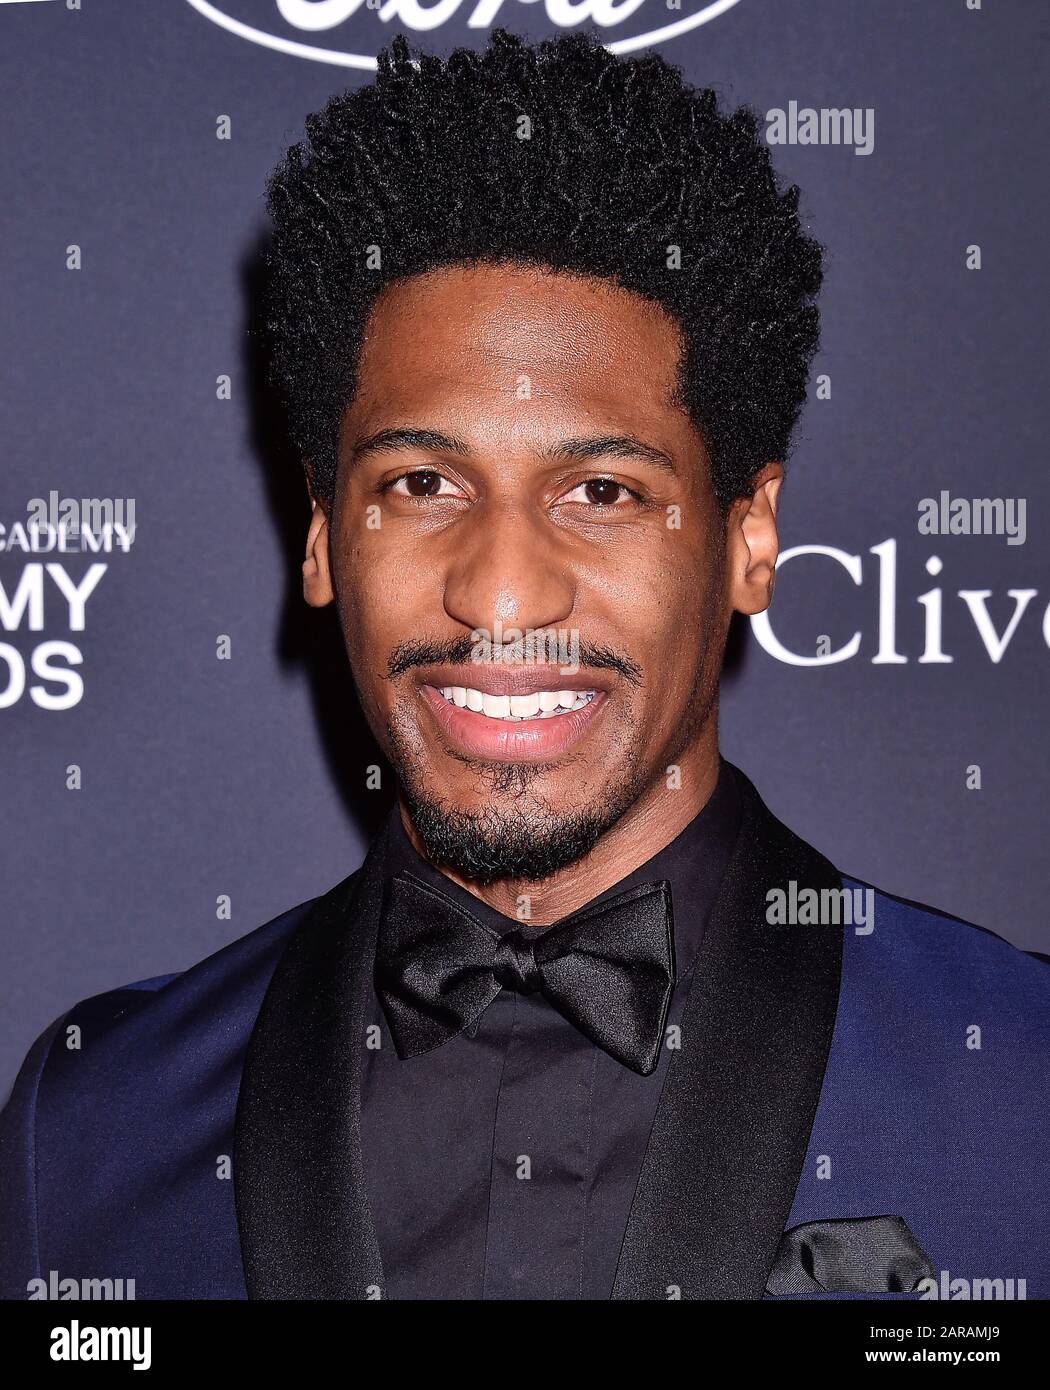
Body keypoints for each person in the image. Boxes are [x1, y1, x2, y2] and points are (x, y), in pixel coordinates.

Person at [1, 29, 1046, 1302]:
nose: (499, 591)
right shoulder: (92, 1120)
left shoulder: (1023, 1085)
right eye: (423, 482)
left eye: (601, 489)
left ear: (750, 539)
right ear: (325, 530)